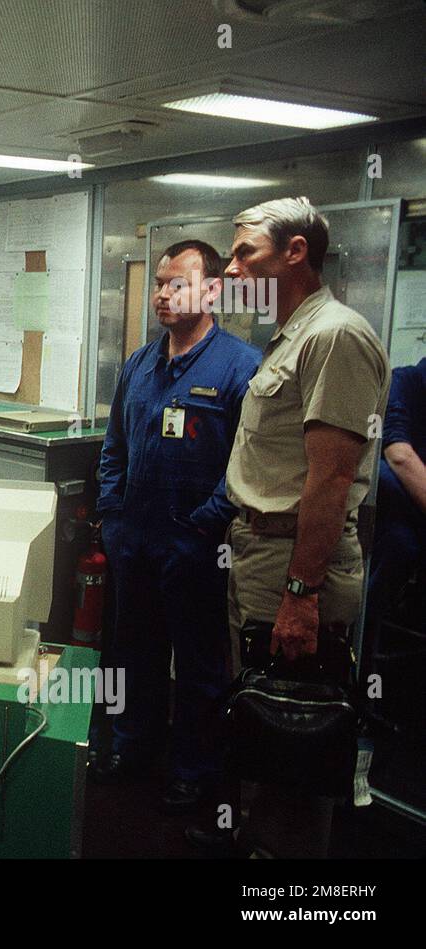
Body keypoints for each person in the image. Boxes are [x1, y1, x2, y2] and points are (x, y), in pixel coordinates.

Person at [188, 196, 389, 859]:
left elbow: (331, 479)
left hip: (294, 564)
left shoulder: (335, 335)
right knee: (262, 726)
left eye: (246, 251)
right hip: (260, 554)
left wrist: (302, 595)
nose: (233, 265)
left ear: (295, 252)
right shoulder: (291, 334)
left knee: (296, 736)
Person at [93, 241, 260, 813]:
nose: (163, 294)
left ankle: (193, 770)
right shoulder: (140, 363)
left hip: (199, 546)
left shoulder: (241, 367)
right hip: (133, 538)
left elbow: (248, 464)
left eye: (177, 284)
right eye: (160, 283)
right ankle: (130, 747)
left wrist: (204, 528)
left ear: (213, 289)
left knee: (197, 665)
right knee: (132, 653)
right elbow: (114, 445)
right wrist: (111, 516)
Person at [364, 358, 426, 713]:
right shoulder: (405, 382)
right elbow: (398, 454)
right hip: (400, 523)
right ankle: (364, 686)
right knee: (400, 547)